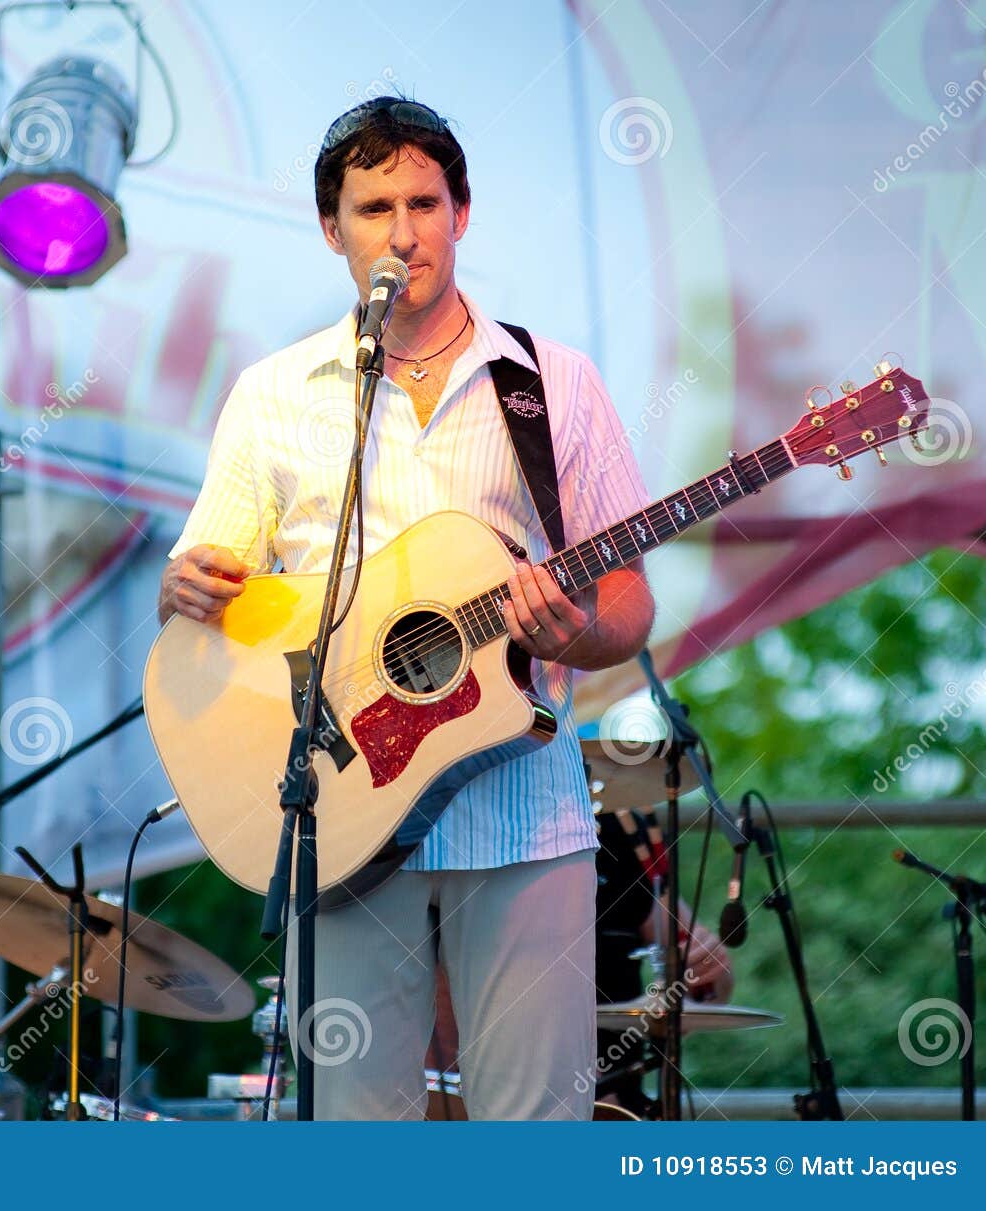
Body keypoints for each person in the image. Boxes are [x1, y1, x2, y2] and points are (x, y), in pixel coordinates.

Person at [157, 95, 655, 1120]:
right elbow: (214, 592)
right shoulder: (274, 391)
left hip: (526, 814)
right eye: (373, 205)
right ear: (332, 227)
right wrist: (185, 586)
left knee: (536, 1131)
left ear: (461, 213)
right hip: (336, 817)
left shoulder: (551, 382)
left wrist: (581, 628)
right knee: (357, 1134)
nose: (402, 230)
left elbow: (628, 600)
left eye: (423, 201)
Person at [427, 807, 736, 1117]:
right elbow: (434, 998)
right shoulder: (472, 830)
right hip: (502, 1098)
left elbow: (712, 982)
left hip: (613, 1100)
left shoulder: (622, 827)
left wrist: (708, 972)